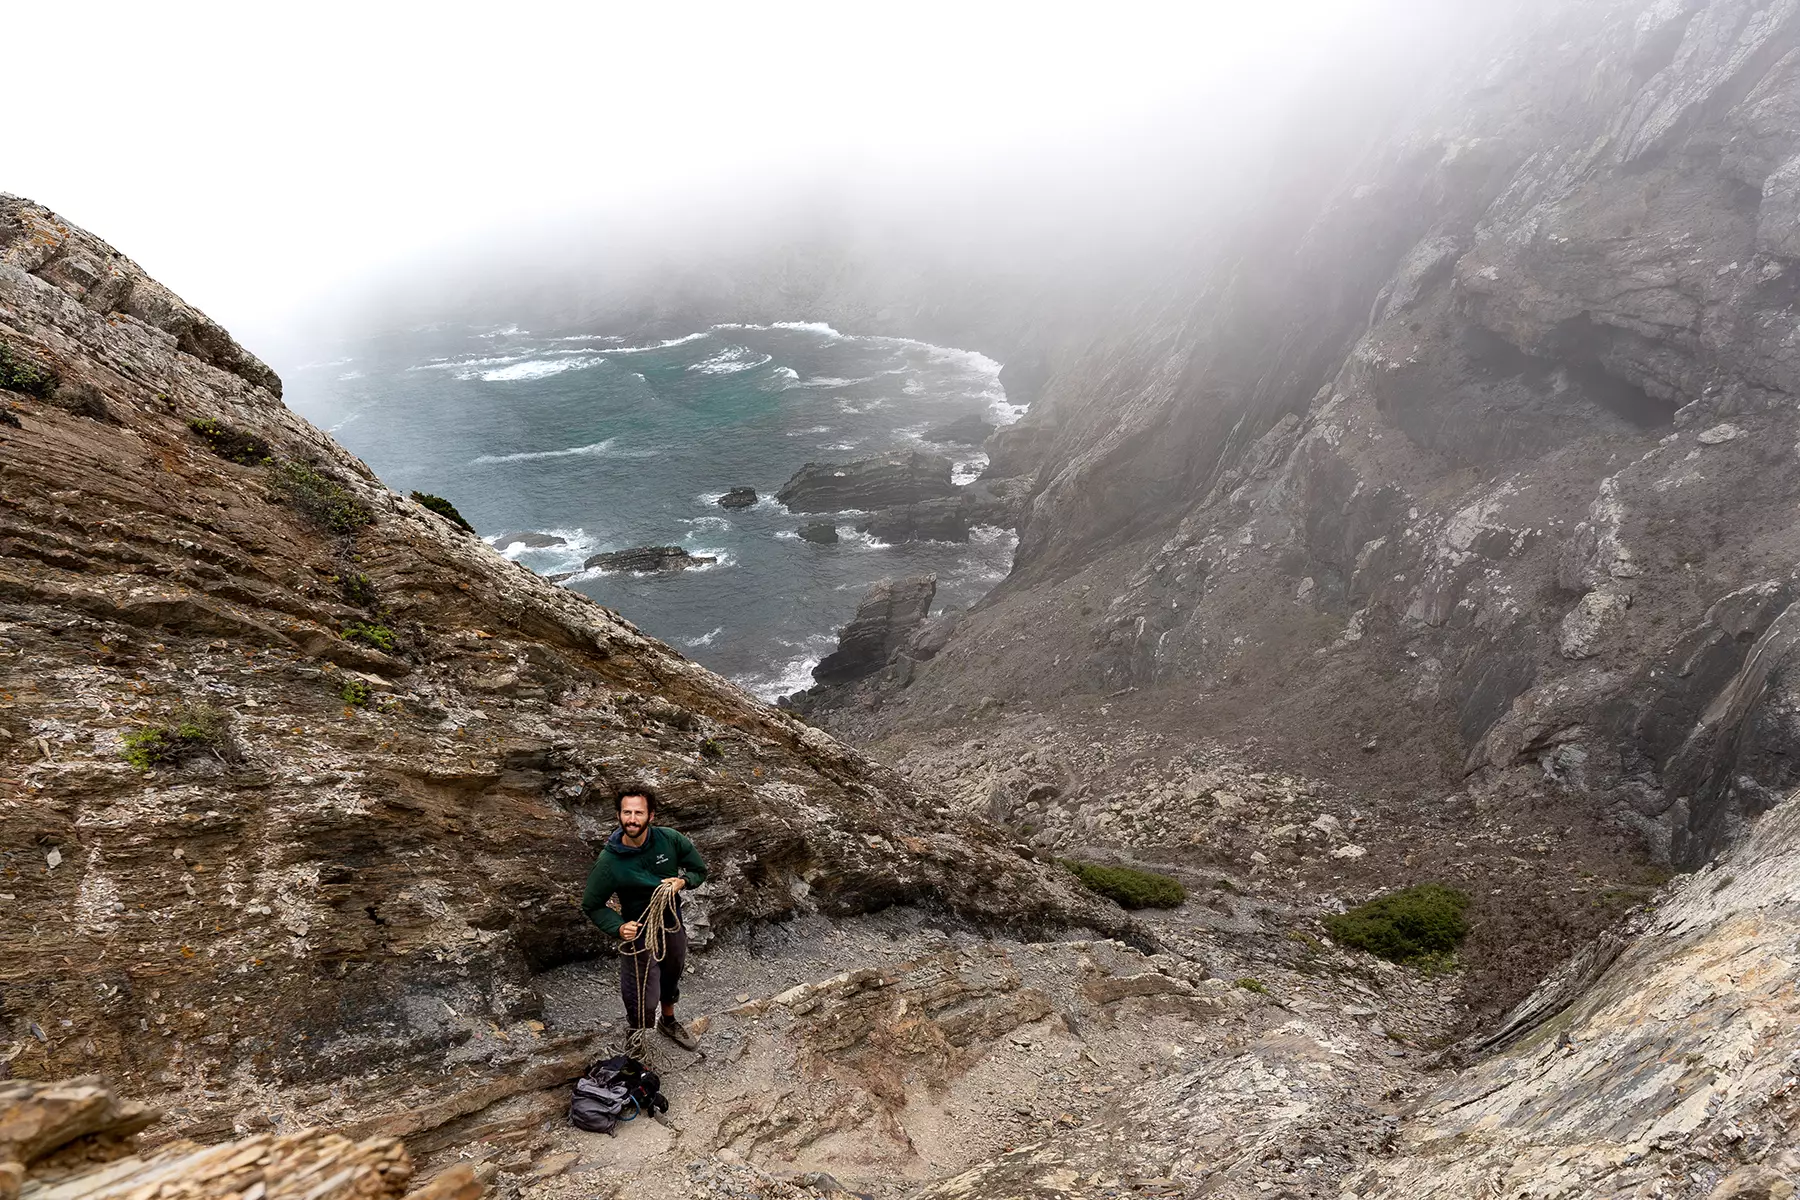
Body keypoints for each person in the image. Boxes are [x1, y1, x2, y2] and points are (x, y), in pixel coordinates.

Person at [581, 786, 707, 1051]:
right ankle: (636, 1036)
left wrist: (682, 881)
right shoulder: (609, 862)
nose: (632, 819)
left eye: (639, 812)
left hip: (671, 921)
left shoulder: (670, 840)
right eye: (627, 812)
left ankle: (668, 1021)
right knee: (640, 991)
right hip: (638, 931)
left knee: (672, 971)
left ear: (651, 816)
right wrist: (618, 926)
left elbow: (698, 870)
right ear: (618, 815)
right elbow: (592, 904)